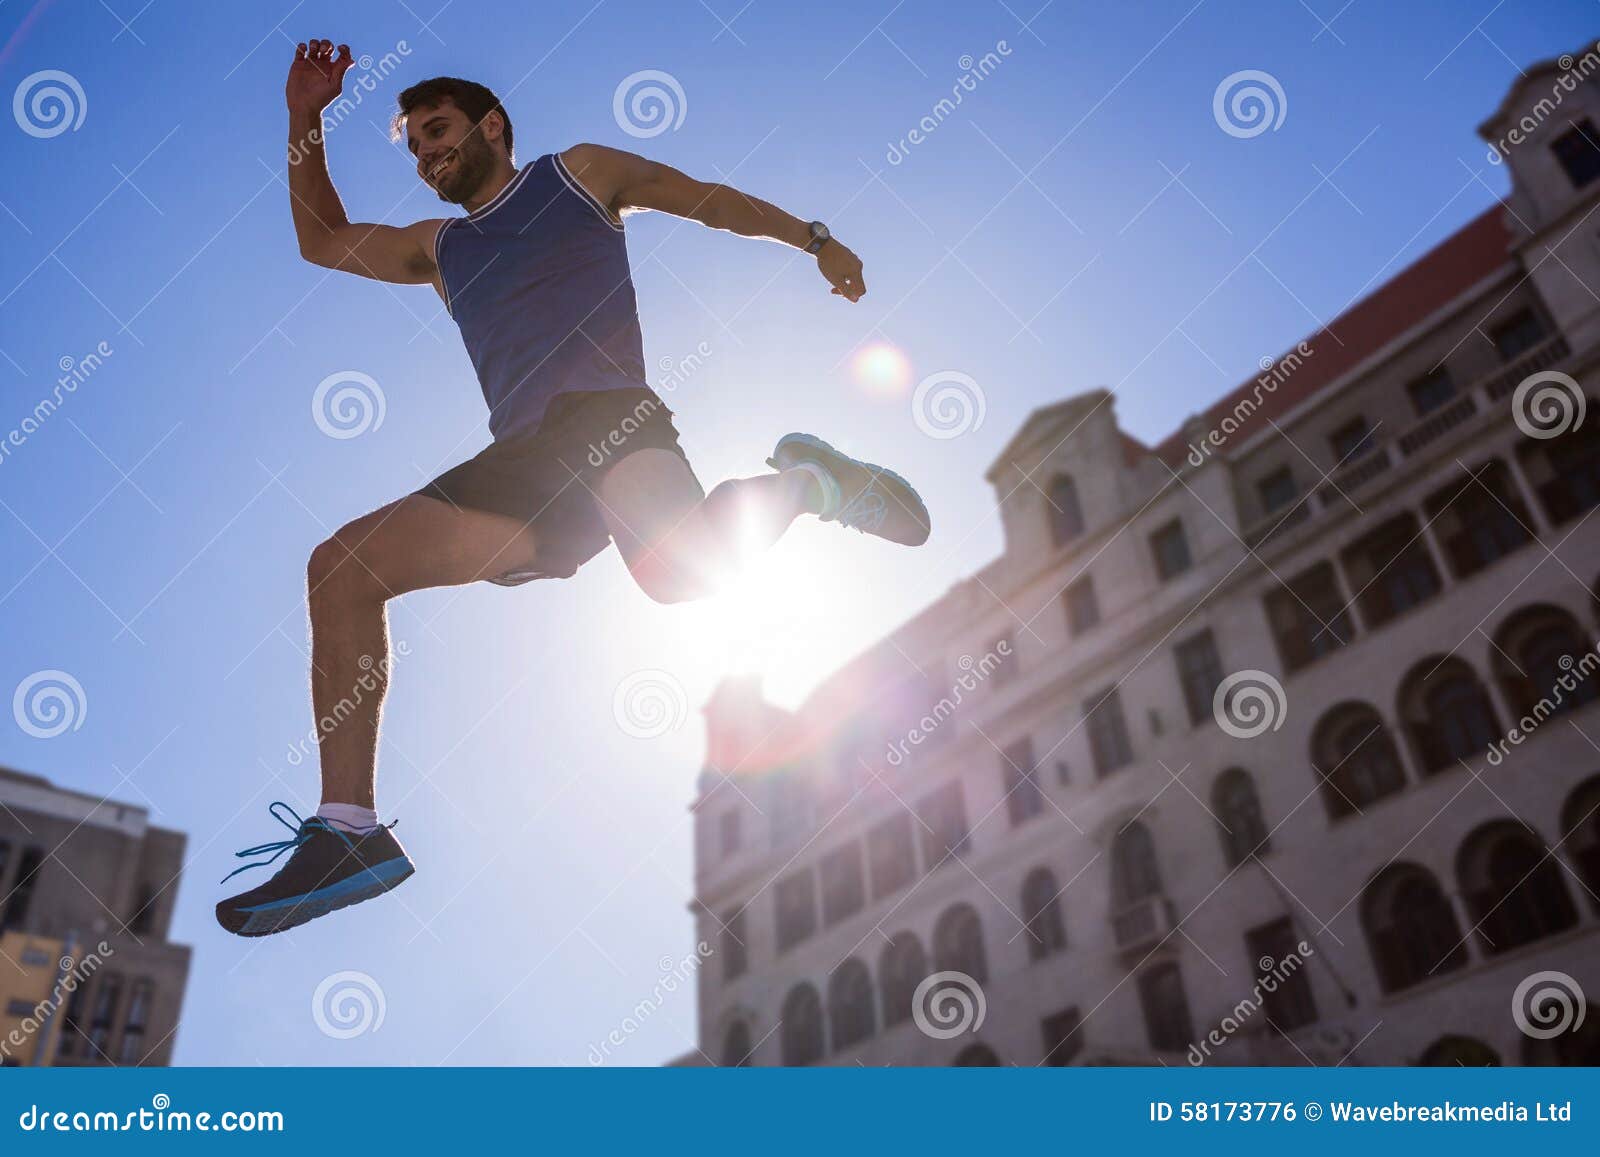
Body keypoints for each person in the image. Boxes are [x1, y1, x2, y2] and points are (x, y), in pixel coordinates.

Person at [217, 40, 930, 937]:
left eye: (438, 131)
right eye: (415, 149)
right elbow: (321, 240)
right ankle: (350, 831)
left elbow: (702, 200)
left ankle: (811, 482)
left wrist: (814, 239)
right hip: (518, 466)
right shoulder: (439, 247)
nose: (428, 154)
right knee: (341, 567)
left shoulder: (577, 174)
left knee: (680, 575)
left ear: (492, 124)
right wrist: (302, 116)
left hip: (609, 420)